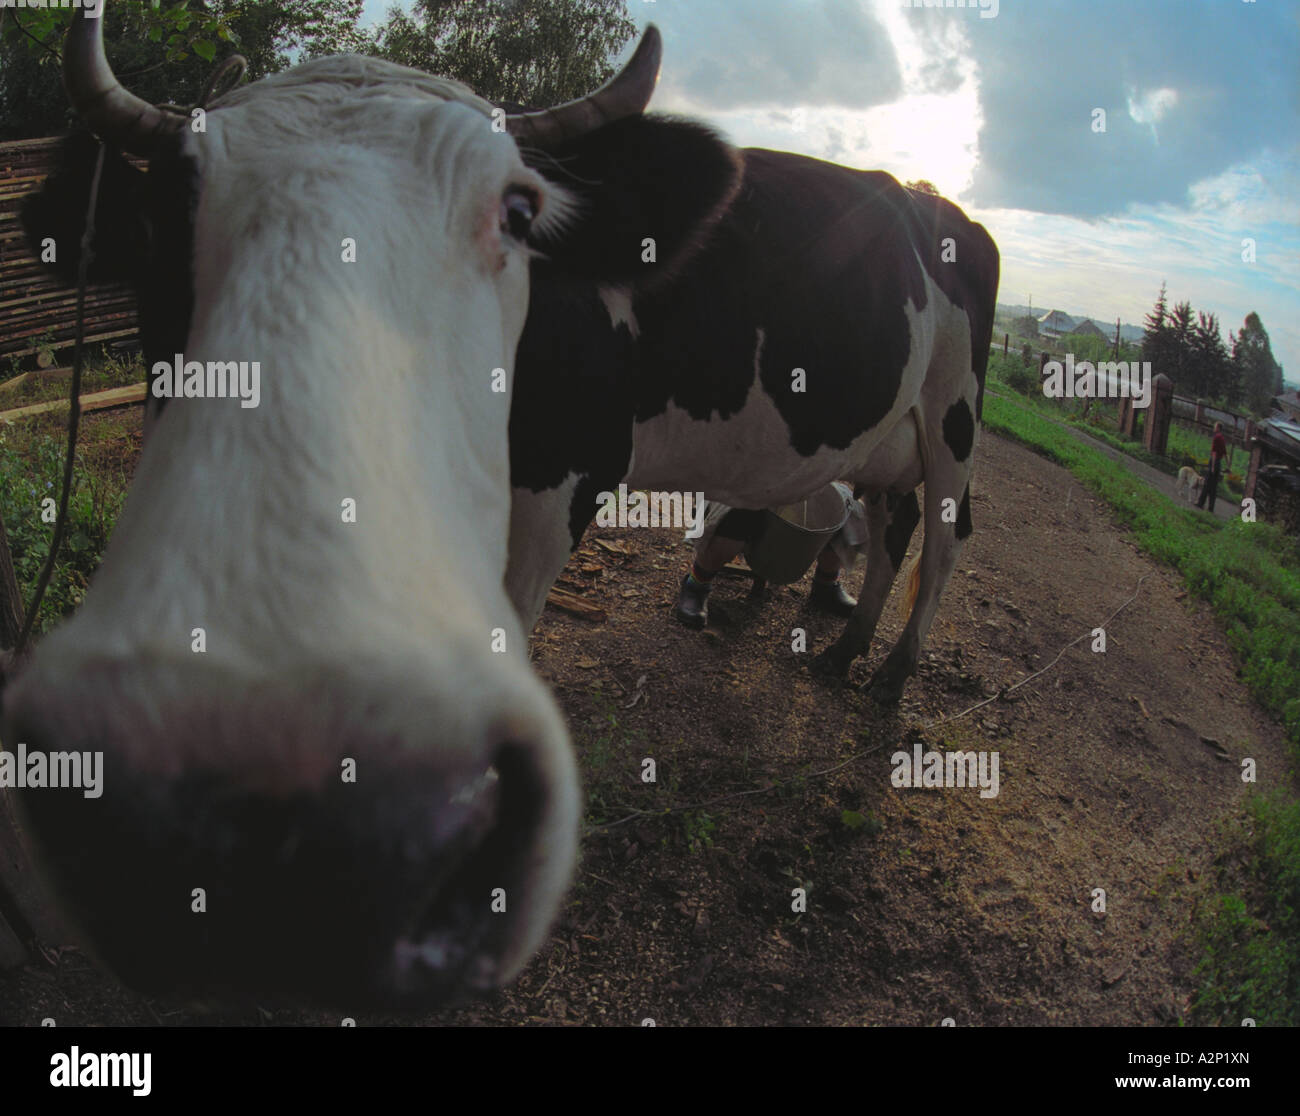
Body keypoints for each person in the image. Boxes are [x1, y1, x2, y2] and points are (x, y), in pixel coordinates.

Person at [674, 488, 862, 629]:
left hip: (808, 480)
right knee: (740, 509)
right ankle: (697, 583)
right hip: (749, 480)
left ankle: (826, 583)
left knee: (844, 505)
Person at [1195, 421, 1229, 513]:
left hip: (1214, 462)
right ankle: (1210, 508)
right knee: (1213, 487)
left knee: (1207, 484)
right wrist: (1228, 465)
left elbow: (1214, 453)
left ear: (1218, 428)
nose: (1214, 428)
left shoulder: (1216, 438)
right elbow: (1225, 453)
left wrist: (1213, 466)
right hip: (1219, 463)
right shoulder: (1222, 438)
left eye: (1215, 427)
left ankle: (1200, 503)